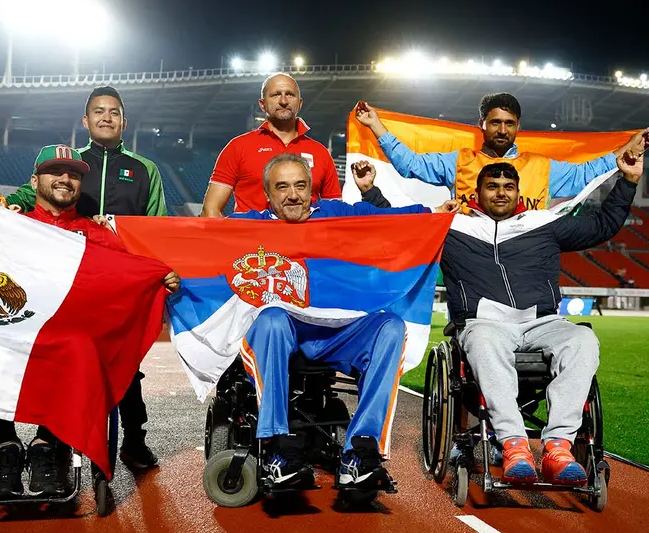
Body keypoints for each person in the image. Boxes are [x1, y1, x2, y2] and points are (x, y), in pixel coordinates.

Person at [364, 151, 642, 485]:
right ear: (477, 193)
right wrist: (370, 191)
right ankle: (514, 444)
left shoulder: (543, 223)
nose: (501, 192)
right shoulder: (453, 226)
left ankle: (558, 446)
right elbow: (400, 228)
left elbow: (603, 225)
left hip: (541, 322)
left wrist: (628, 181)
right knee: (483, 340)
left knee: (583, 339)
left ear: (518, 192)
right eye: (492, 186)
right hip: (484, 324)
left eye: (509, 186)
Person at [228, 153, 457, 487]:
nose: (293, 194)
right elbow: (198, 247)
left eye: (300, 185)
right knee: (273, 318)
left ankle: (360, 453)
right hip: (284, 331)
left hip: (341, 332)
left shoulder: (339, 215)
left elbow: (393, 222)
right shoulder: (247, 226)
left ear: (311, 190)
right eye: (283, 187)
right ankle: (279, 447)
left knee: (390, 327)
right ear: (268, 195)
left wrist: (435, 215)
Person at [0, 144, 180, 497]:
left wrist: (161, 278)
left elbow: (133, 274)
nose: (65, 179)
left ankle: (49, 444)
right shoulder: (10, 227)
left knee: (79, 345)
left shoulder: (100, 235)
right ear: (34, 180)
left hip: (69, 343)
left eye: (73, 174)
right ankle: (5, 447)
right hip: (15, 338)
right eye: (55, 171)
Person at [6, 86, 168, 471]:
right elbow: (37, 195)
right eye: (99, 111)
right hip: (65, 274)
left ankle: (135, 439)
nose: (107, 117)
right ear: (86, 120)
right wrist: (10, 204)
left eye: (114, 112)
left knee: (128, 361)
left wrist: (151, 269)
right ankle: (49, 435)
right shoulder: (68, 165)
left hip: (118, 272)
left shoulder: (145, 170)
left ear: (123, 122)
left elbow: (157, 226)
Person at [354, 93, 648, 210]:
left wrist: (624, 151)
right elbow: (411, 164)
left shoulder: (542, 167)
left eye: (509, 124)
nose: (502, 130)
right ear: (481, 124)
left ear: (518, 126)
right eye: (495, 122)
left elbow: (587, 173)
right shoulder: (459, 162)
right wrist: (377, 126)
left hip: (525, 263)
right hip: (471, 263)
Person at [202, 72, 342, 217]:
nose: (283, 101)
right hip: (253, 238)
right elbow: (210, 211)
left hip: (305, 238)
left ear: (299, 103)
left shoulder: (320, 152)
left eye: (290, 94)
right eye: (275, 95)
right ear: (262, 104)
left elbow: (335, 213)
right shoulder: (238, 147)